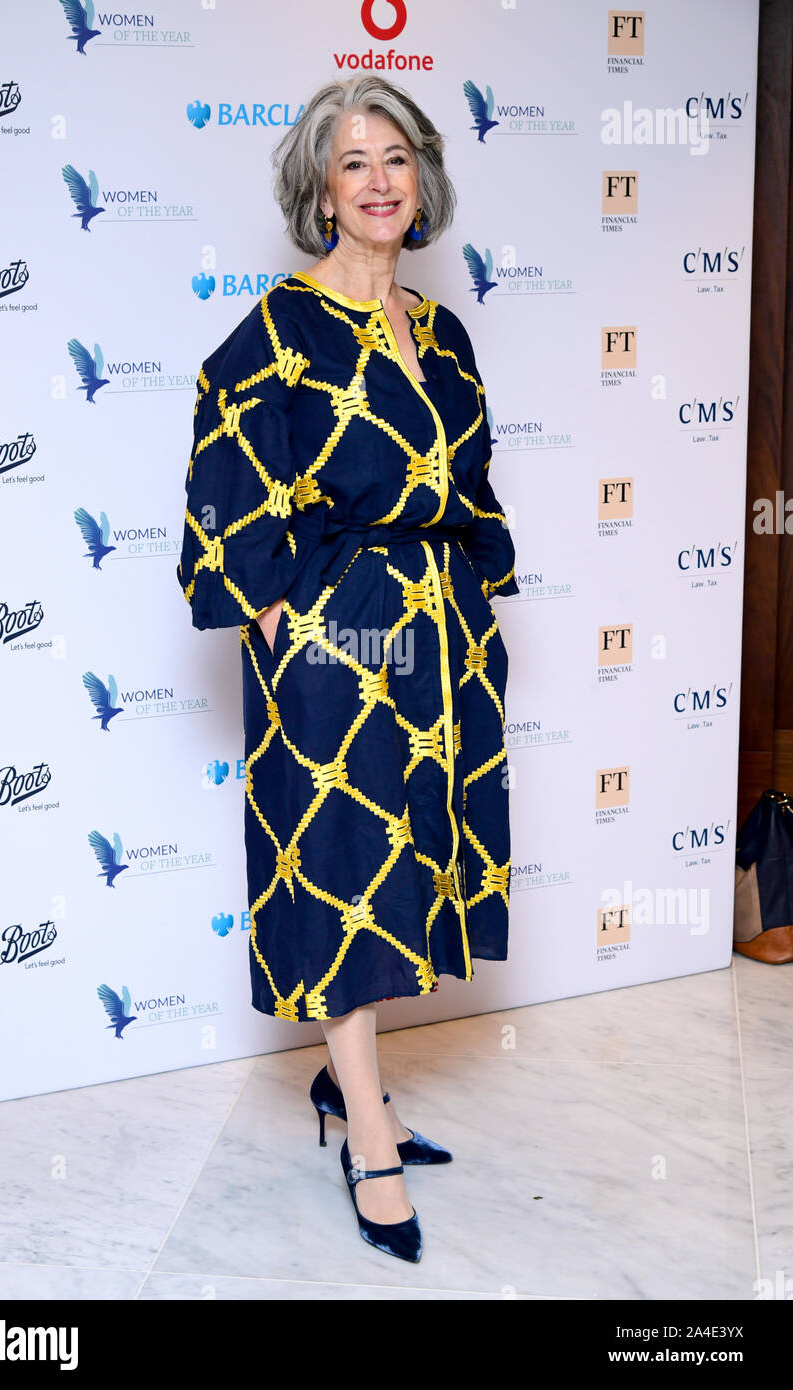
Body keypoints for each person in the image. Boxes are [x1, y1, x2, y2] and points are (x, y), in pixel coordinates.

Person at [177, 74, 519, 1264]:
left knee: (410, 860)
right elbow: (226, 474)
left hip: (438, 635)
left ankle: (345, 1088)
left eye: (396, 159)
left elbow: (466, 488)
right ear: (320, 190)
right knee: (341, 866)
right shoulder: (276, 330)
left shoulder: (442, 332)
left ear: (419, 180)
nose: (378, 182)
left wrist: (470, 605)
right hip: (339, 631)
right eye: (353, 162)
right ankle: (366, 1125)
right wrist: (286, 626)